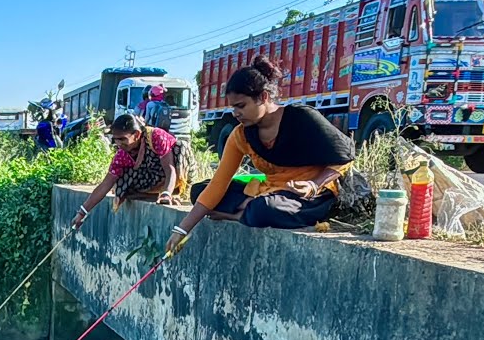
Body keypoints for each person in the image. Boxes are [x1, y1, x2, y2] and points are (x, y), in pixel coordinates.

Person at [165, 56, 354, 253]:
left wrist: (314, 184)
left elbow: (345, 156)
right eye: (233, 107)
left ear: (263, 97)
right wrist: (183, 228)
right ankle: (248, 208)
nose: (236, 113)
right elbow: (218, 183)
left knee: (264, 209)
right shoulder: (241, 135)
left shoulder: (301, 118)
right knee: (199, 192)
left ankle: (238, 214)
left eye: (241, 106)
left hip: (307, 196)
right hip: (267, 190)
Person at [71, 114, 183, 228]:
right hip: (150, 176)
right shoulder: (122, 155)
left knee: (179, 147)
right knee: (122, 183)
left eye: (122, 139)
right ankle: (154, 196)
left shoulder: (155, 137)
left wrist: (166, 194)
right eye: (116, 140)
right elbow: (105, 184)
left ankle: (169, 192)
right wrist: (82, 213)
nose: (119, 144)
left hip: (169, 172)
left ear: (137, 135)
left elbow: (170, 169)